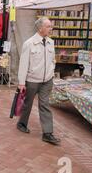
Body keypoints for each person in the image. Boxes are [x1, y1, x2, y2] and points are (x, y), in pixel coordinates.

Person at [17, 17, 60, 146]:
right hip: (32, 80)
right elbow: (23, 64)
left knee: (45, 105)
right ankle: (22, 123)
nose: (50, 29)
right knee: (27, 104)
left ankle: (47, 133)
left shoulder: (51, 42)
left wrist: (51, 72)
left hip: (47, 80)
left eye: (51, 26)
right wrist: (21, 82)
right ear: (40, 28)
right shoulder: (29, 43)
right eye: (48, 26)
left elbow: (52, 60)